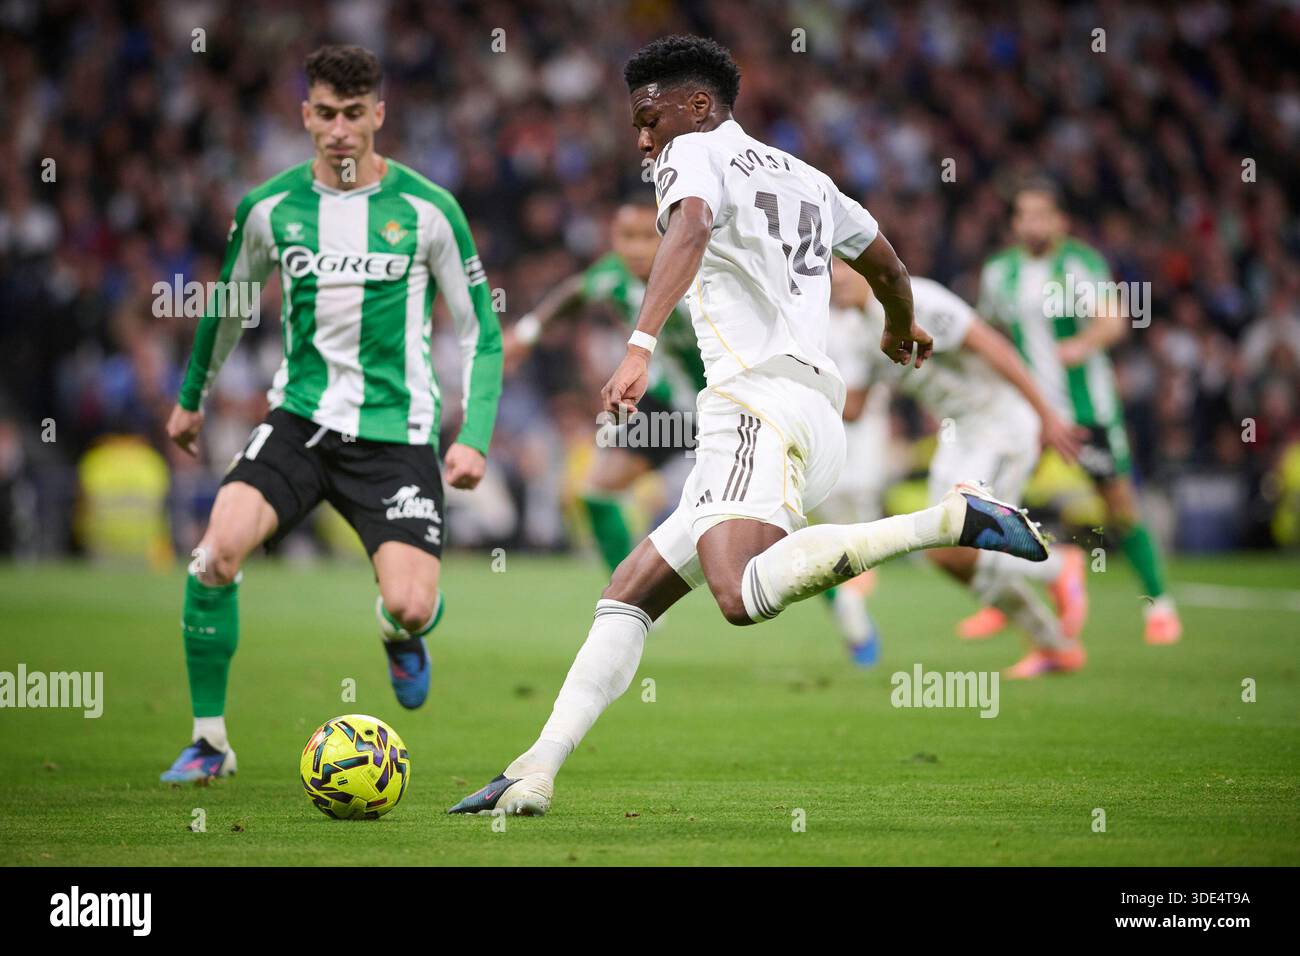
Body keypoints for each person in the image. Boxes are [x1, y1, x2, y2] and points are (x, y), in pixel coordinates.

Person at [450, 35, 1049, 816]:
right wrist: (898, 327)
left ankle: (949, 518)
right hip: (810, 413)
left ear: (696, 107)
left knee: (738, 596)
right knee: (628, 595)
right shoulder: (808, 177)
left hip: (752, 406)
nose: (642, 138)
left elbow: (690, 227)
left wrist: (636, 345)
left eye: (648, 117)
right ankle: (536, 768)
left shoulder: (691, 155)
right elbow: (889, 269)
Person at [160, 45, 502, 782]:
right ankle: (210, 742)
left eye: (354, 114)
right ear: (305, 115)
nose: (340, 129)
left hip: (396, 435)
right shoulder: (269, 209)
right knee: (216, 552)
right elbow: (227, 308)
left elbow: (482, 331)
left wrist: (473, 436)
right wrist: (191, 400)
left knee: (413, 605)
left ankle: (395, 632)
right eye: (326, 114)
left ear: (378, 114)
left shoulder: (428, 209)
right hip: (301, 421)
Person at [829, 263, 1089, 678]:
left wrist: (1047, 416)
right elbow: (854, 409)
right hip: (959, 438)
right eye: (827, 272)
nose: (834, 280)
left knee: (959, 543)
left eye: (842, 269)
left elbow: (993, 347)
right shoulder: (856, 334)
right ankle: (1054, 644)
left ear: (867, 269)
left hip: (1000, 425)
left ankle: (1059, 568)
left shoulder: (922, 300)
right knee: (942, 554)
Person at [969, 182, 1181, 645]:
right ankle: (1005, 599)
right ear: (1013, 224)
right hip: (1024, 412)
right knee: (994, 500)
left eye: (1043, 214)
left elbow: (1113, 320)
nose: (1034, 224)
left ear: (1061, 220)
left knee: (1119, 506)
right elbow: (987, 335)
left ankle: (1159, 606)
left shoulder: (1080, 263)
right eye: (1025, 215)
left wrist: (1082, 345)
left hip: (1086, 412)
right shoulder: (998, 272)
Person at [504, 201, 704, 572]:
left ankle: (843, 607)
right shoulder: (615, 274)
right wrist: (526, 333)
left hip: (724, 405)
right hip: (668, 408)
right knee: (595, 494)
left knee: (767, 516)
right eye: (627, 237)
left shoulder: (704, 276)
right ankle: (629, 601)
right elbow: (576, 293)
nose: (637, 249)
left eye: (649, 237)